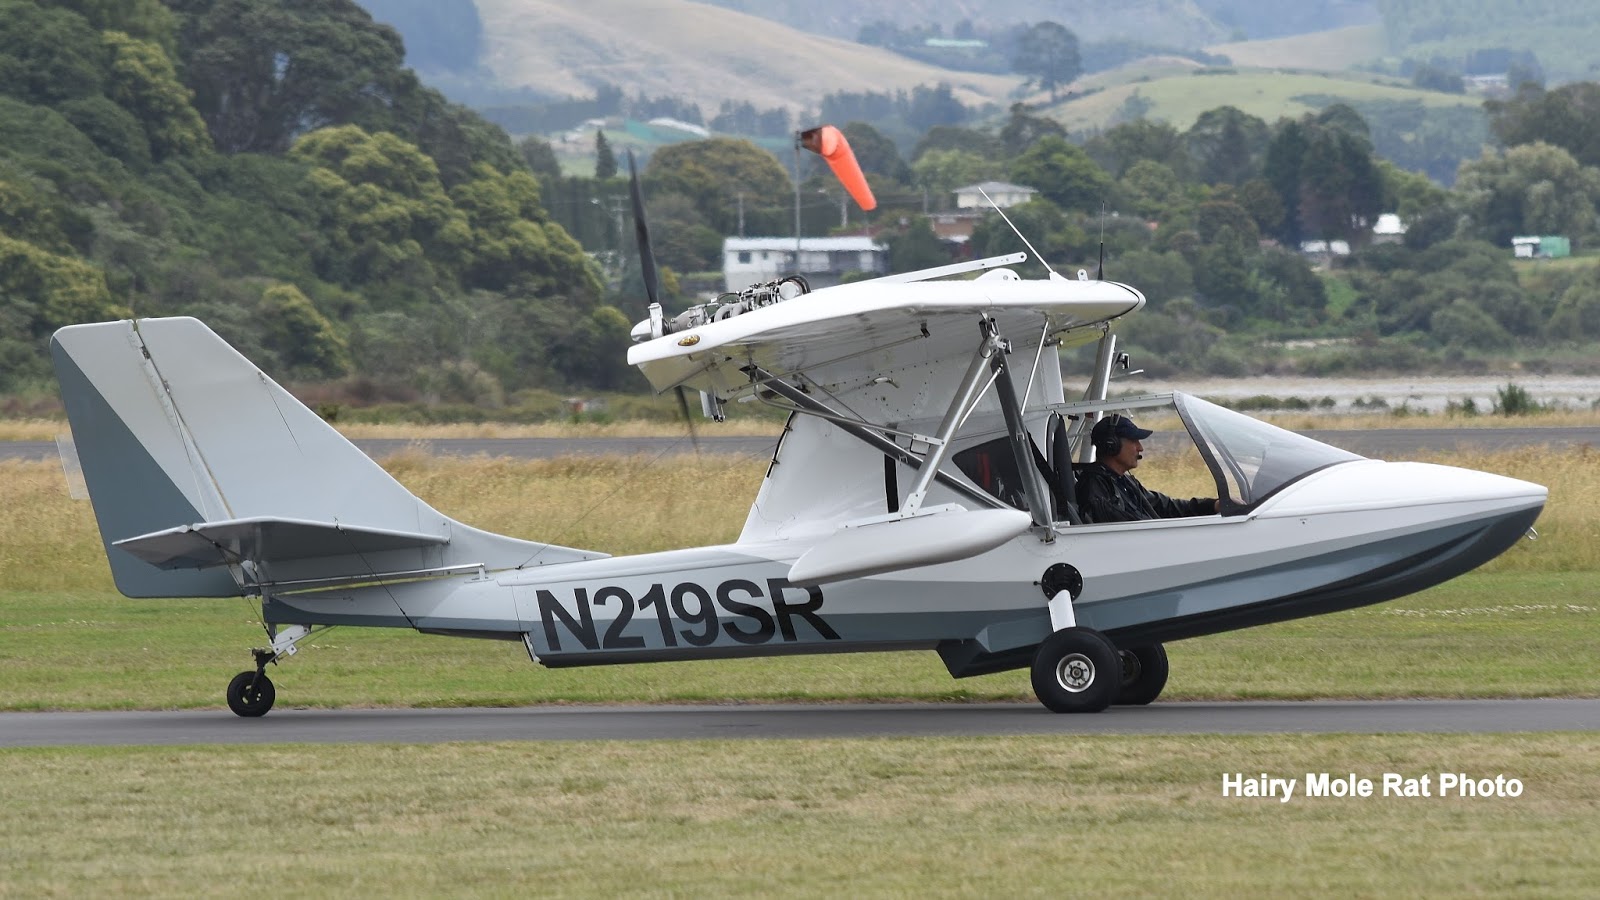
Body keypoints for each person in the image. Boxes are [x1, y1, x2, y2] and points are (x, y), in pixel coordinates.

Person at [1076, 414, 1218, 524]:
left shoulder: (1124, 482)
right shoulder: (1094, 486)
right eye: (1133, 441)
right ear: (1111, 445)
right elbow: (1123, 527)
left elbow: (1166, 507)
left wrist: (1212, 506)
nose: (1140, 448)